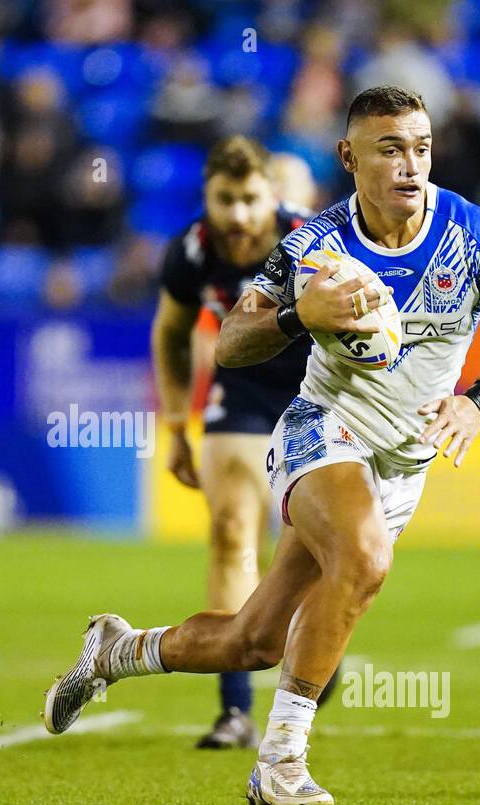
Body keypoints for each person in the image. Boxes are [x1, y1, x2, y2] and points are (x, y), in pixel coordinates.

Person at [43, 86, 480, 805]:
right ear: (349, 157)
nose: (409, 164)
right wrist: (297, 313)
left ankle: (117, 651)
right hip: (323, 428)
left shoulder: (471, 233)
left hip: (402, 466)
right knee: (364, 558)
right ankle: (281, 762)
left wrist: (479, 400)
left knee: (252, 642)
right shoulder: (315, 245)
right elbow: (229, 342)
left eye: (420, 147)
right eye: (389, 149)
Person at [153, 135, 313, 749]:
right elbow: (170, 334)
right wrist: (175, 428)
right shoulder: (192, 251)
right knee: (229, 536)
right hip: (240, 394)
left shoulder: (311, 239)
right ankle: (235, 709)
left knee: (316, 552)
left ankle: (312, 642)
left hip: (314, 396)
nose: (239, 215)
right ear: (207, 200)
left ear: (272, 195)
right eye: (226, 200)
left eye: (250, 199)